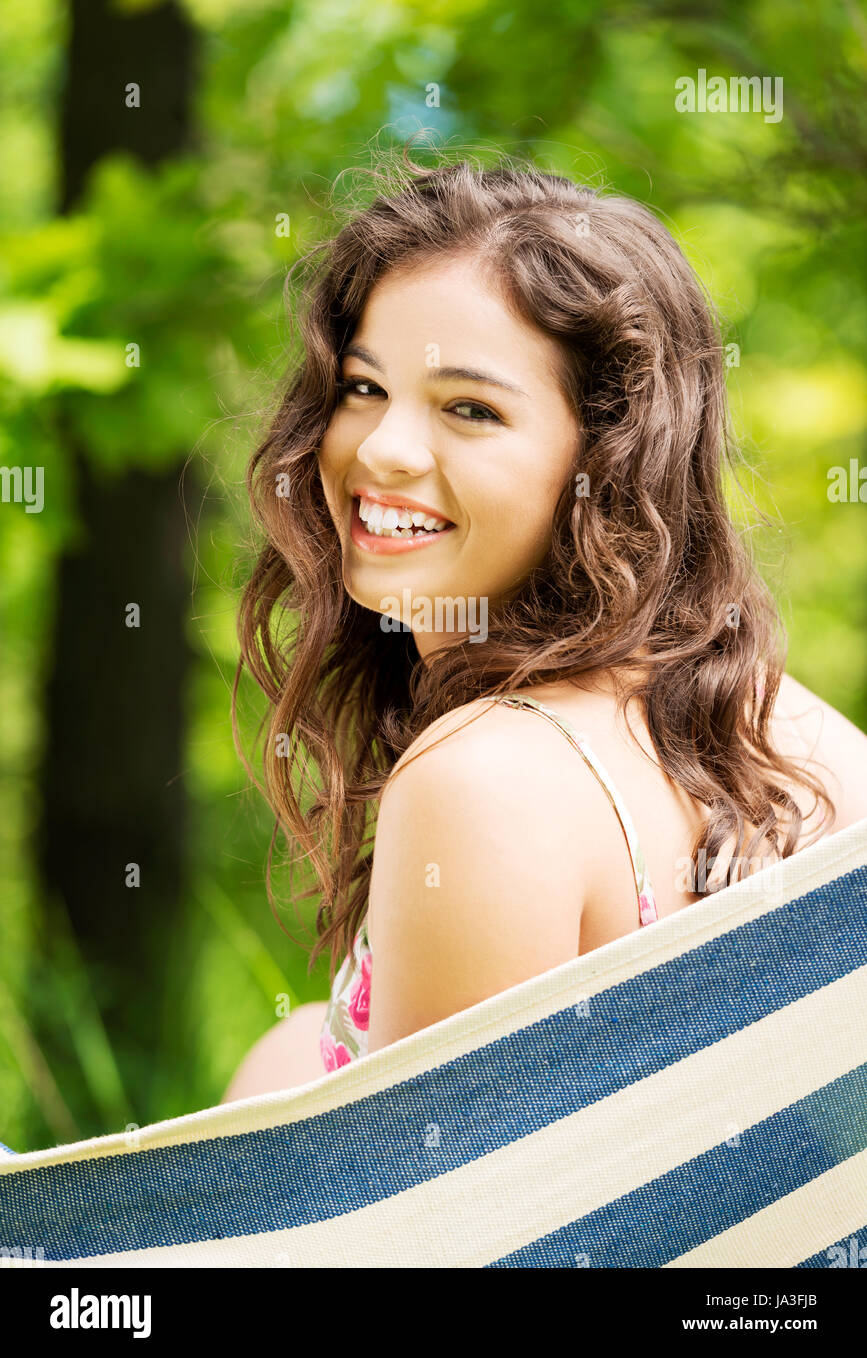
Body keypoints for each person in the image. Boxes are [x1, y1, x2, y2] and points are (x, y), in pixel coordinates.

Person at [222, 154, 867, 1103]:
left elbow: (438, 1234)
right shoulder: (786, 727)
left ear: (606, 460)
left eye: (470, 409)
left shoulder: (479, 781)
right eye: (364, 387)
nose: (384, 449)